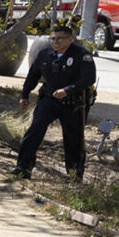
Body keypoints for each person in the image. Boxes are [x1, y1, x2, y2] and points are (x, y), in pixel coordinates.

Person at [16, 21, 96, 180]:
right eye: (52, 39)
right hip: (49, 100)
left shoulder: (82, 55)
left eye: (60, 38)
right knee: (34, 131)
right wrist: (24, 94)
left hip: (73, 103)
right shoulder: (45, 54)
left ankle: (74, 174)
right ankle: (23, 168)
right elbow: (33, 75)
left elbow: (89, 79)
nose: (55, 42)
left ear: (70, 39)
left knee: (73, 139)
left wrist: (68, 90)